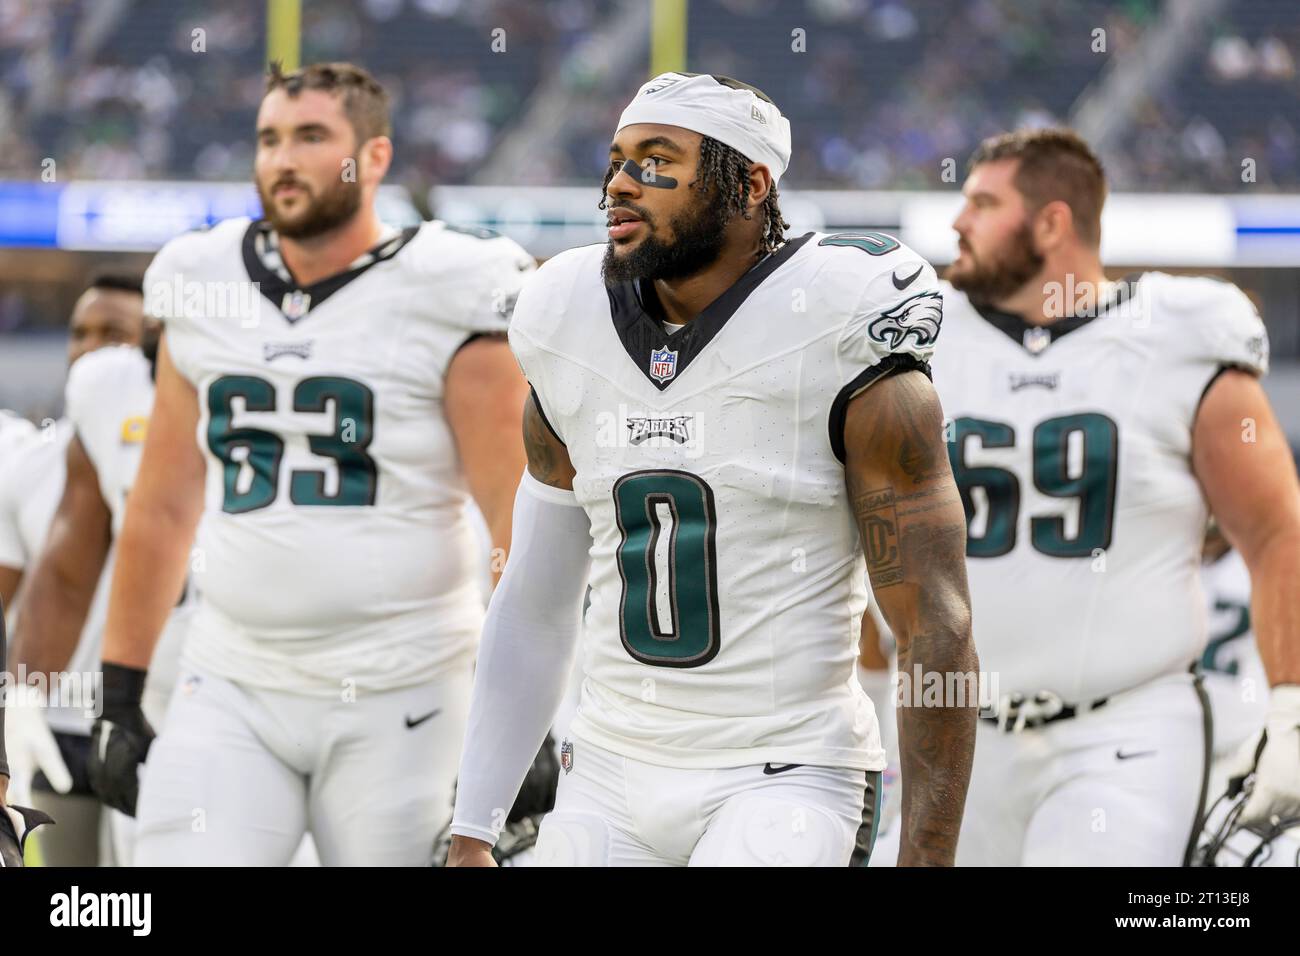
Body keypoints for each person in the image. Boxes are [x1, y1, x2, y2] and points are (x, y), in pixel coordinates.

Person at [448, 72, 976, 867]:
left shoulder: (837, 316)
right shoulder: (565, 317)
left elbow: (935, 623)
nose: (622, 183)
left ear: (752, 182)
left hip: (786, 776)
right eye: (619, 159)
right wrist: (473, 825)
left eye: (658, 160)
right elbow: (533, 600)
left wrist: (928, 859)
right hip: (604, 774)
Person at [91, 61, 534, 865]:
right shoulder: (201, 279)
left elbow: (516, 512)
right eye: (267, 139)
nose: (281, 160)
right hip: (233, 678)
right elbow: (160, 507)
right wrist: (120, 690)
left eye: (310, 137)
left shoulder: (451, 283)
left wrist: (526, 713)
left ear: (372, 159)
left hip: (408, 687)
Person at [935, 128, 1300, 865]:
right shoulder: (924, 337)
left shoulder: (1178, 334)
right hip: (952, 730)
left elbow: (1274, 532)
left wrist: (1292, 709)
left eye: (983, 202)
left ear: (1052, 222)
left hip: (1123, 729)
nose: (957, 221)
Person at [0, 274, 145, 865]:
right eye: (79, 332)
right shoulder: (28, 461)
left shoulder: (192, 460)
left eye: (113, 333)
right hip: (54, 722)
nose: (90, 347)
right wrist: (13, 709)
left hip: (154, 720)